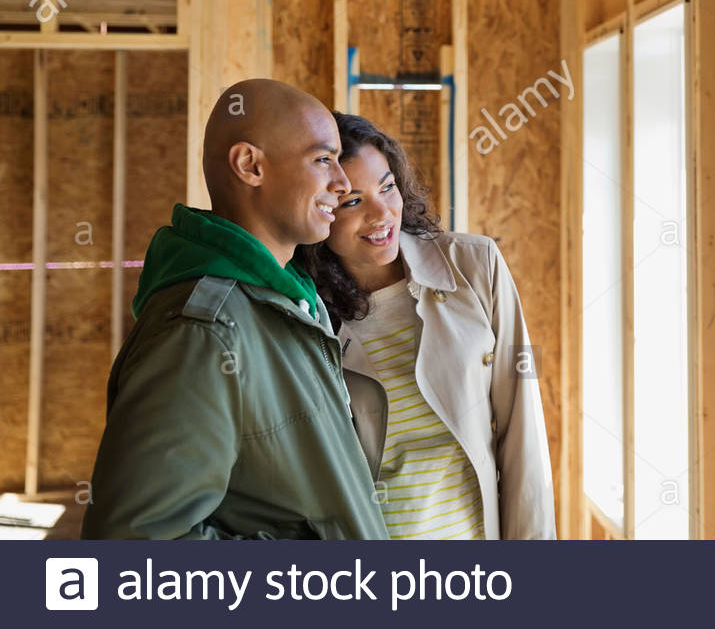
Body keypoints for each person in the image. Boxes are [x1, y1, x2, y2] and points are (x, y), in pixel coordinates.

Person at [82, 79, 389, 540]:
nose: (342, 183)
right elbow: (135, 547)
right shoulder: (203, 332)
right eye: (324, 159)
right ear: (250, 165)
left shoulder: (283, 300)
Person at [295, 112, 555, 540]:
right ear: (321, 210)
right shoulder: (304, 309)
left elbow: (522, 435)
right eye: (353, 202)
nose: (382, 214)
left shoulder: (475, 266)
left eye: (387, 188)